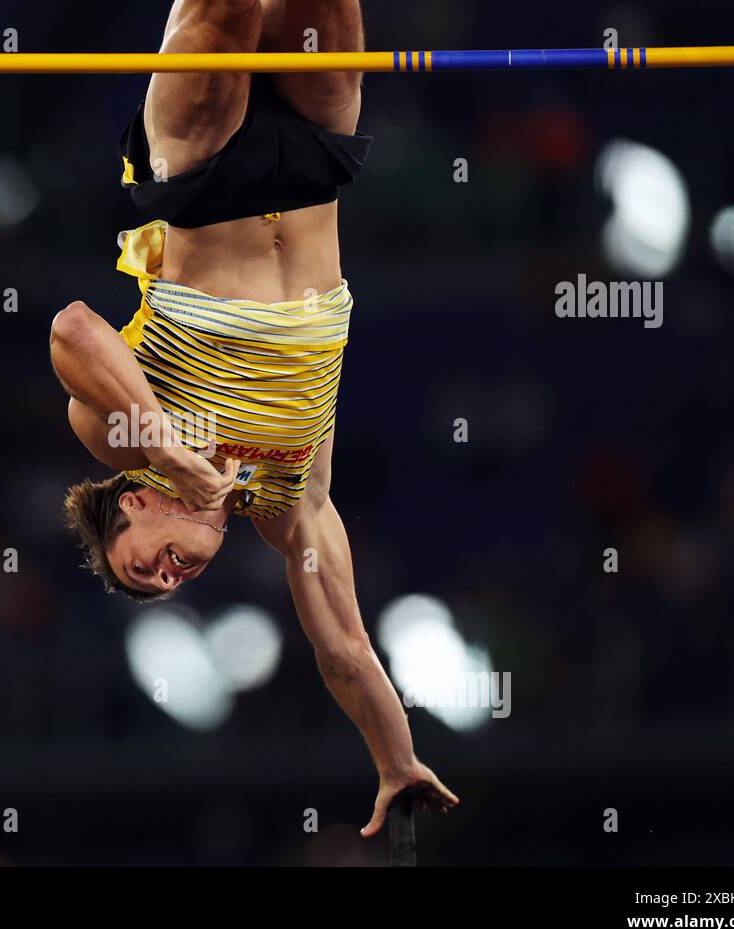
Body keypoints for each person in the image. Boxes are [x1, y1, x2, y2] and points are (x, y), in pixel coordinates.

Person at [50, 0, 458, 836]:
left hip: (199, 175)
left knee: (227, 12)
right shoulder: (286, 507)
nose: (169, 581)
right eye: (163, 586)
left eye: (143, 571)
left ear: (132, 504)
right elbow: (344, 648)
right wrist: (394, 759)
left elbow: (72, 329)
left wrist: (174, 450)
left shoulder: (116, 438)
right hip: (313, 164)